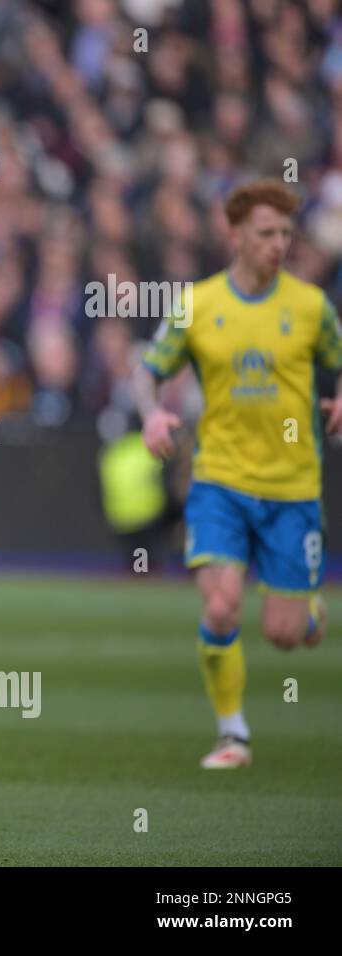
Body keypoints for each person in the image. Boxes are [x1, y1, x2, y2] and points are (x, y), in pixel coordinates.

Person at [133, 179, 342, 768]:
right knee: (221, 606)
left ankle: (308, 613)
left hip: (292, 486)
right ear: (235, 236)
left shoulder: (309, 306)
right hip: (219, 481)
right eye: (266, 234)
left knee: (284, 632)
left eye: (285, 234)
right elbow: (145, 370)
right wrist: (151, 416)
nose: (279, 244)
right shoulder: (198, 305)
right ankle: (234, 734)